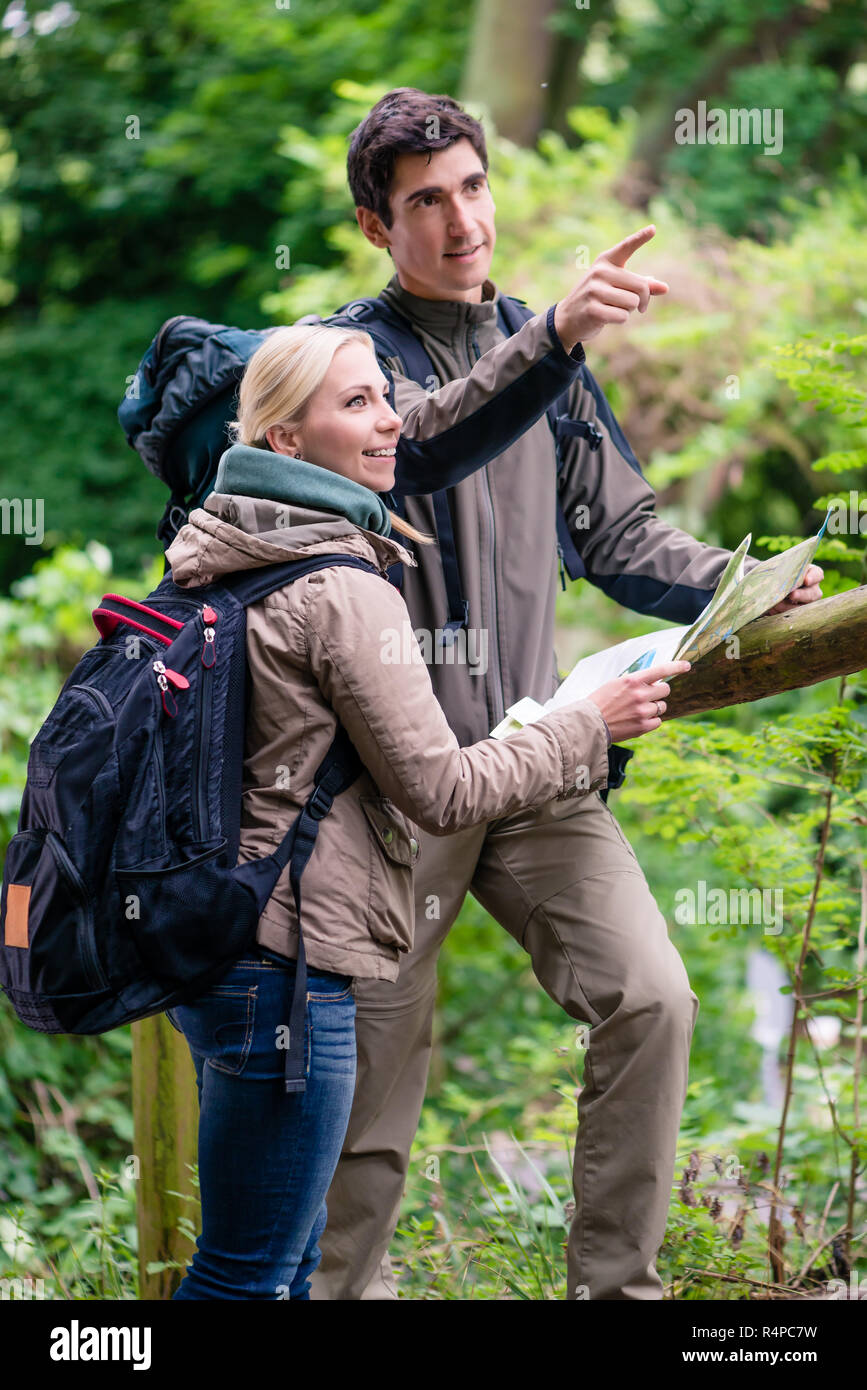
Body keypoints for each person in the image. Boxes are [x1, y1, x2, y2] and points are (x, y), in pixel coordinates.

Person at [307, 88, 824, 1302]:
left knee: (653, 997)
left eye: (473, 188)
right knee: (373, 1105)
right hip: (394, 787)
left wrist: (749, 585)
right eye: (425, 201)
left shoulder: (543, 346)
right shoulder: (346, 364)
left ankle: (616, 1294)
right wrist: (550, 346)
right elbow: (421, 441)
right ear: (379, 227)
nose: (460, 220)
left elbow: (622, 531)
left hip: (539, 755)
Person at [161, 320, 686, 1300]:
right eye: (358, 403)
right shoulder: (345, 586)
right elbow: (439, 788)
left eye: (385, 398)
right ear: (282, 438)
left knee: (246, 1261)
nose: (390, 421)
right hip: (300, 955)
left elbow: (607, 524)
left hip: (221, 942)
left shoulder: (213, 543)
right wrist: (590, 723)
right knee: (252, 1272)